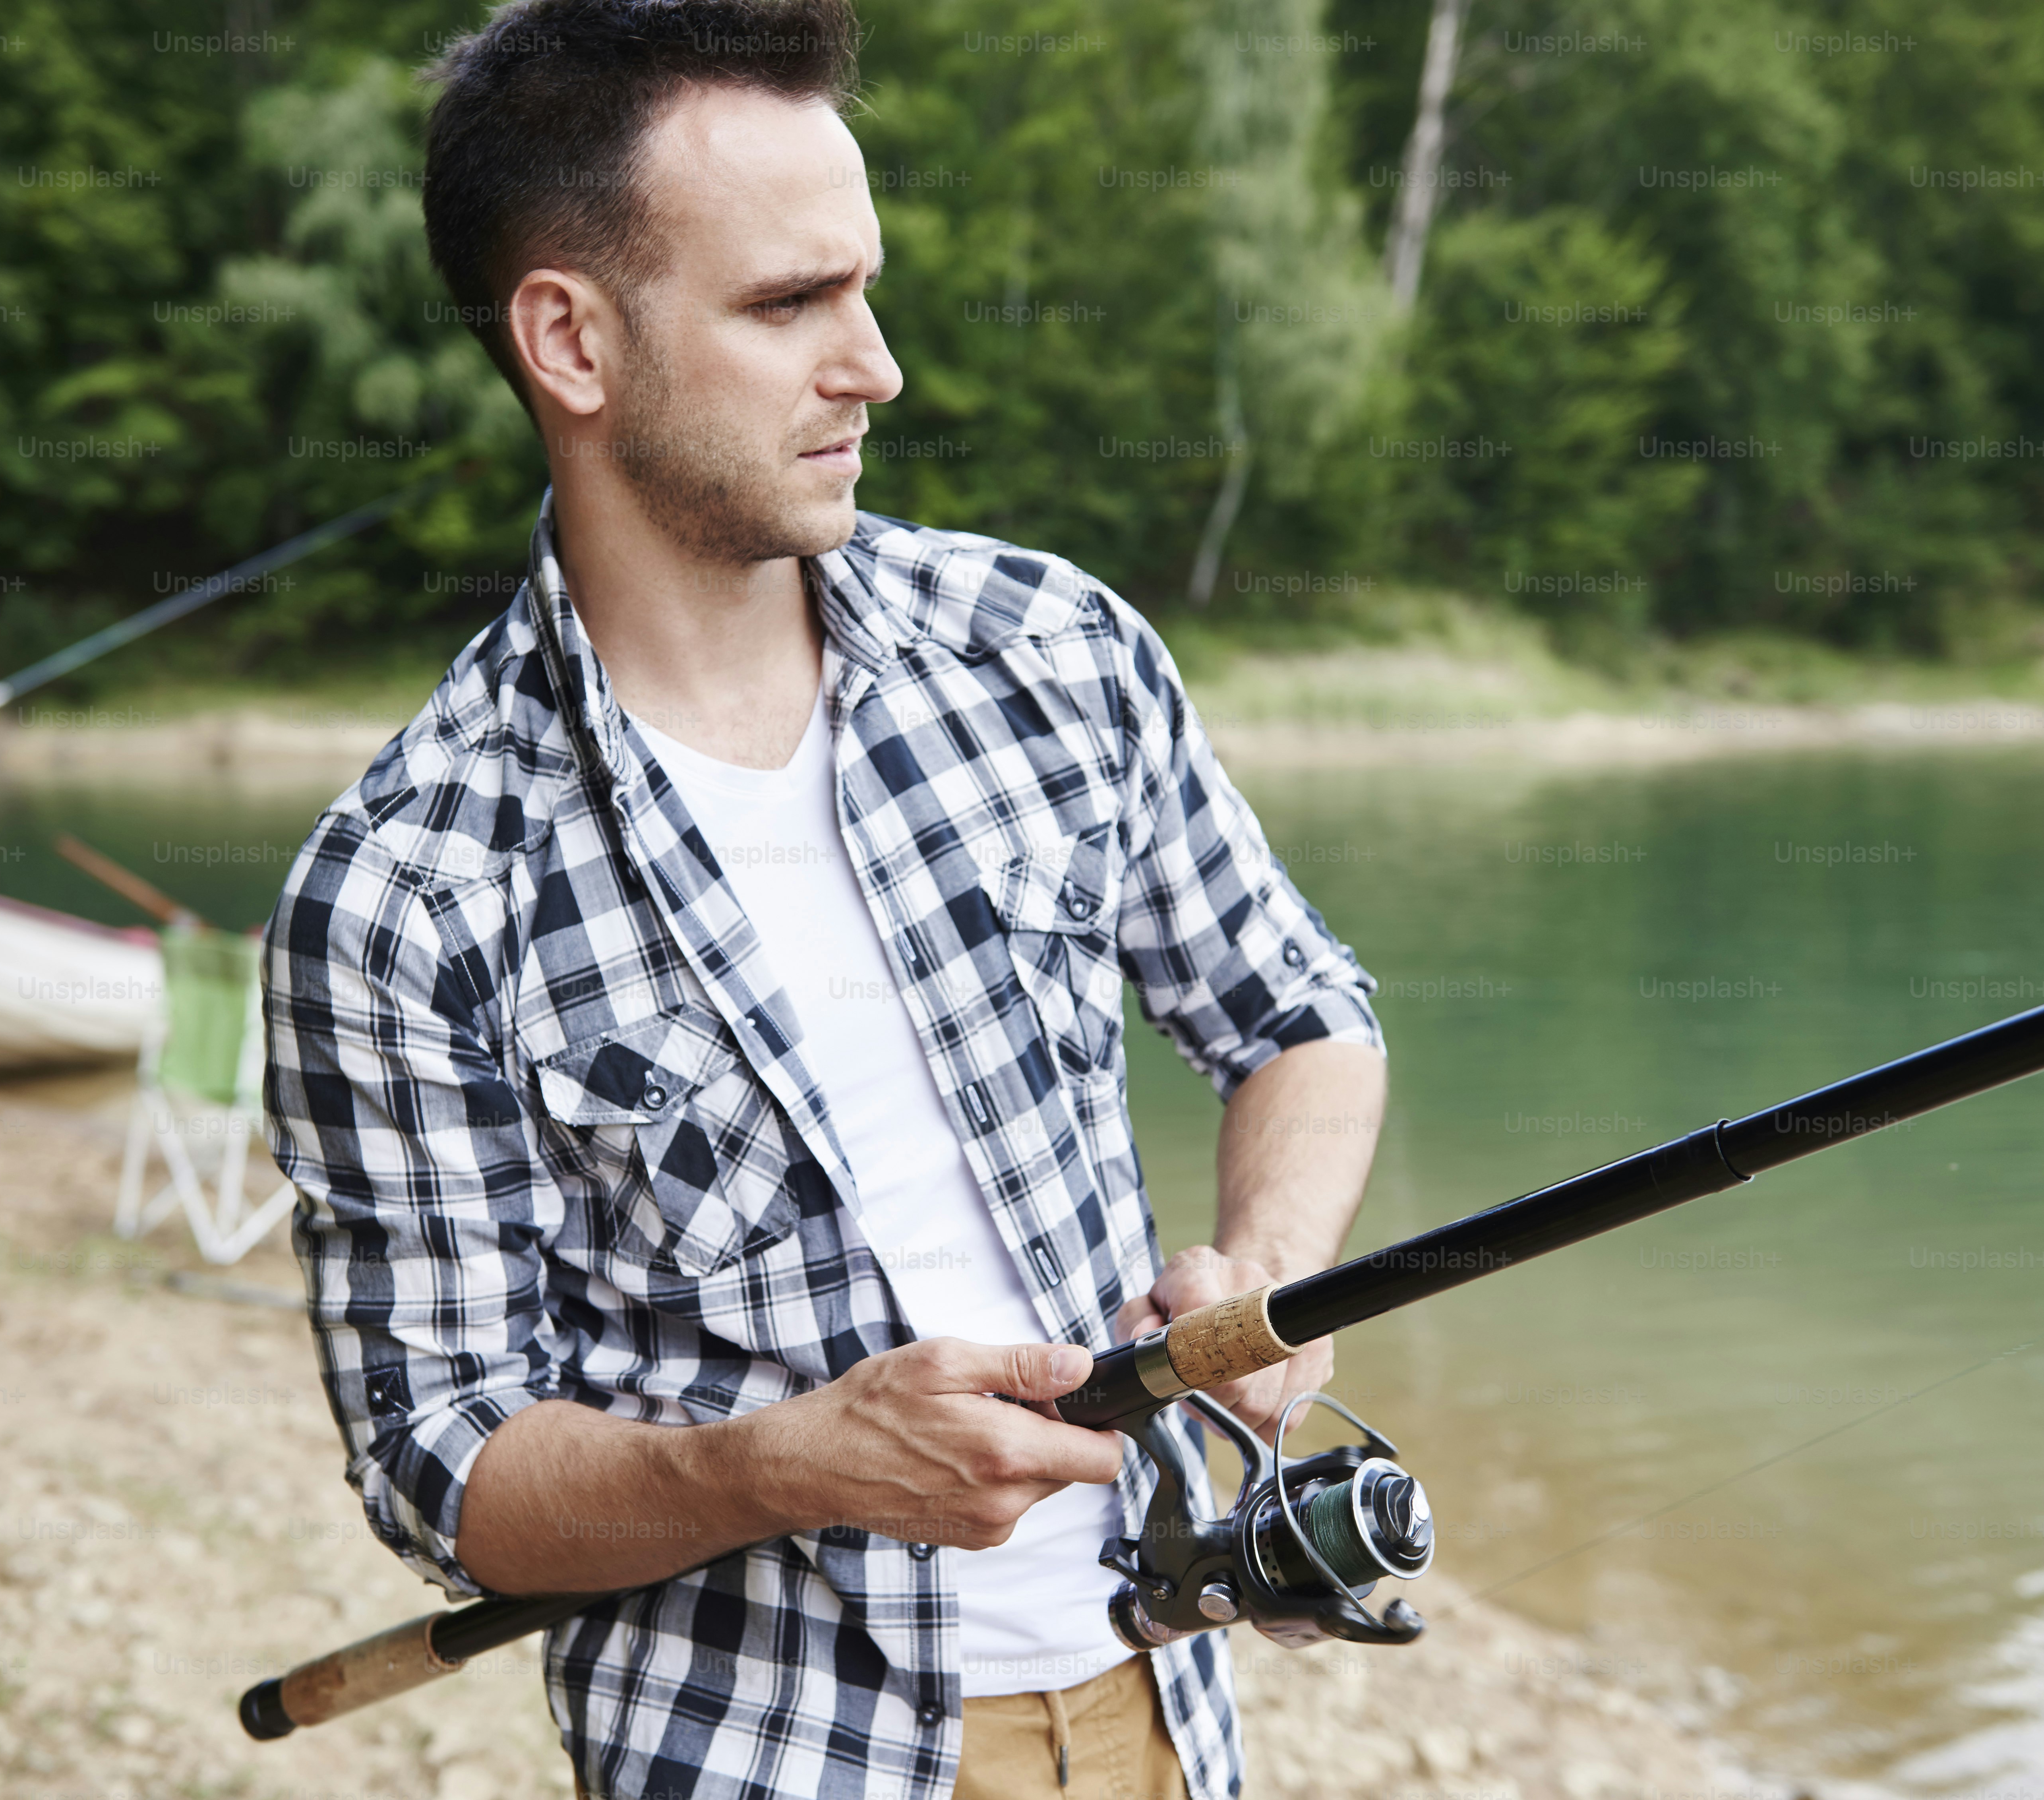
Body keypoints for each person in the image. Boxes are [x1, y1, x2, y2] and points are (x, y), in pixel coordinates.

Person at [263, 5, 1388, 1797]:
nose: (876, 367)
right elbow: (444, 1468)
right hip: (768, 1752)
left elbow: (1298, 1012)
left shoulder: (1051, 651)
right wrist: (782, 1462)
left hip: (1164, 1709)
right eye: (790, 305)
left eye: (862, 290)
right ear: (568, 338)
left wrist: (1265, 1272)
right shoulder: (402, 892)